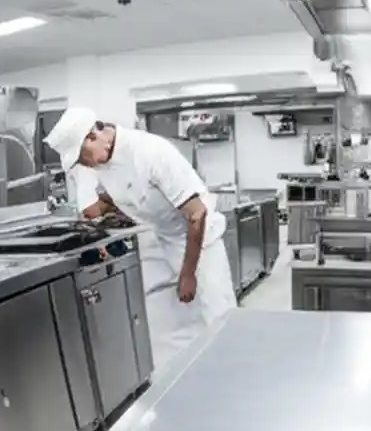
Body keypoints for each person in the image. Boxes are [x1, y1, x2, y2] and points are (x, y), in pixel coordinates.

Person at [43, 108, 236, 361]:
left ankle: (232, 373)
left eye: (81, 157)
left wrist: (188, 274)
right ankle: (190, 378)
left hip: (201, 247)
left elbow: (197, 214)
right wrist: (97, 209)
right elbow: (116, 195)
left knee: (218, 318)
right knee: (174, 325)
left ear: (93, 135)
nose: (84, 165)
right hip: (163, 242)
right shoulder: (104, 163)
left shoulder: (150, 152)